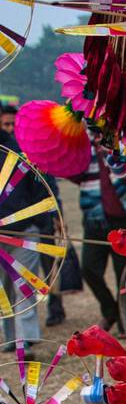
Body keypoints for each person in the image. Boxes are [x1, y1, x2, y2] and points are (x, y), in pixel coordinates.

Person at [71, 141, 126, 333]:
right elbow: (75, 175)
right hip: (94, 219)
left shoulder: (125, 146)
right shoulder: (84, 150)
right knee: (89, 268)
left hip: (122, 219)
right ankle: (111, 312)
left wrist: (119, 168)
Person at [1, 104, 44, 350]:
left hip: (24, 230)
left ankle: (24, 340)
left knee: (23, 285)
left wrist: (43, 221)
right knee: (3, 291)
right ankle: (9, 339)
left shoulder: (24, 152)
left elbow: (41, 188)